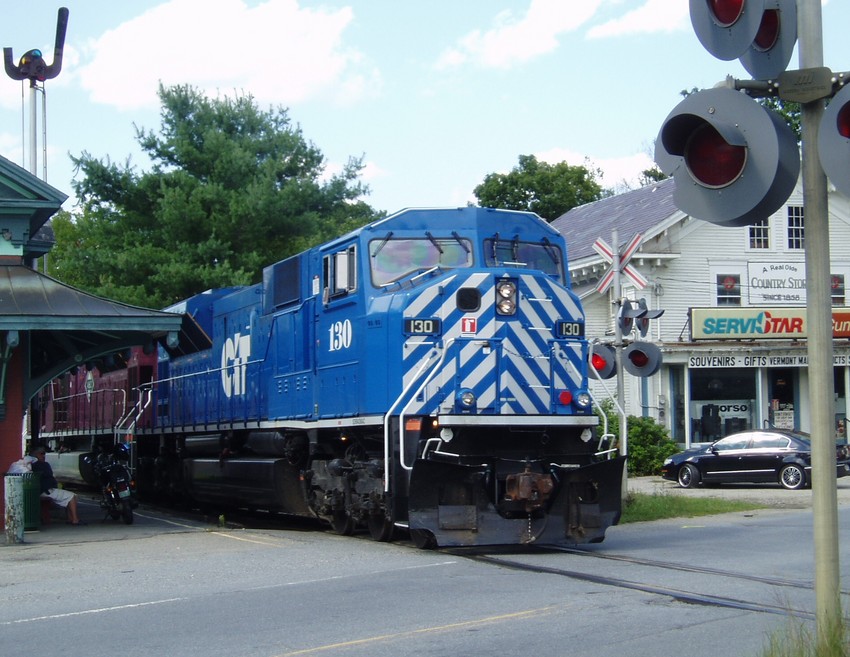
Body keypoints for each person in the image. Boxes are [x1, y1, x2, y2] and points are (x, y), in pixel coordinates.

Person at [29, 446, 84, 525]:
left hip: (42, 490)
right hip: (46, 490)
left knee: (73, 495)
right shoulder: (43, 465)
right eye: (42, 454)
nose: (44, 456)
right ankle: (75, 520)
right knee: (71, 496)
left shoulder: (31, 465)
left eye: (44, 454)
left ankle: (70, 519)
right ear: (36, 455)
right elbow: (48, 476)